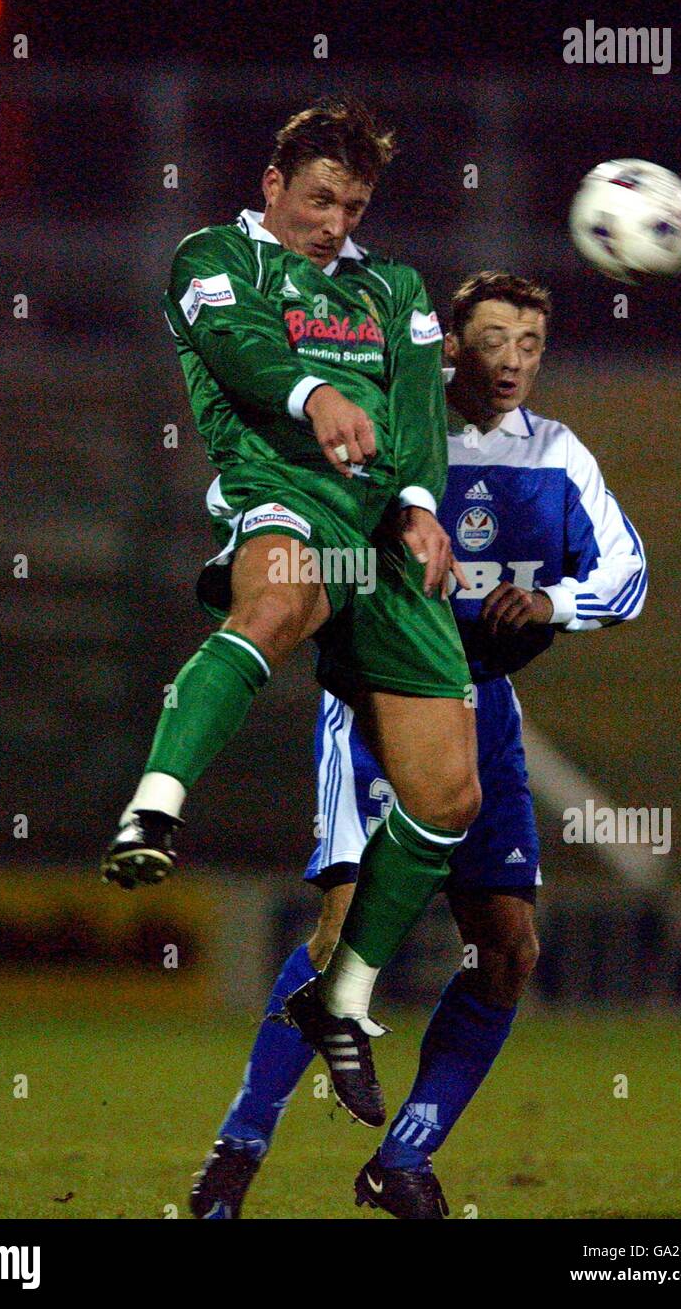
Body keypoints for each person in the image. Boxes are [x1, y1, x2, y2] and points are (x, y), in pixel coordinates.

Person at [190, 270, 647, 1218]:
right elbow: (316, 542)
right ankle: (238, 1149)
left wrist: (556, 602)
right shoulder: (393, 441)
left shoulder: (559, 457)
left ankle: (402, 1159)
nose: (512, 362)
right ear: (449, 346)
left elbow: (630, 575)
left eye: (529, 343)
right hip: (377, 704)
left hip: (487, 718)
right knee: (343, 930)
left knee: (508, 948)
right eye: (491, 341)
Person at [101, 97, 483, 1126]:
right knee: (275, 600)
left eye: (350, 206)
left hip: (379, 545)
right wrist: (315, 390)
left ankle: (341, 995)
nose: (332, 222)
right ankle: (155, 805)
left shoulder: (394, 290)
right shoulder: (212, 258)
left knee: (447, 798)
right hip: (284, 499)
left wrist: (413, 507)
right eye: (317, 198)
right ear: (273, 187)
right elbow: (240, 355)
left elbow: (412, 419)